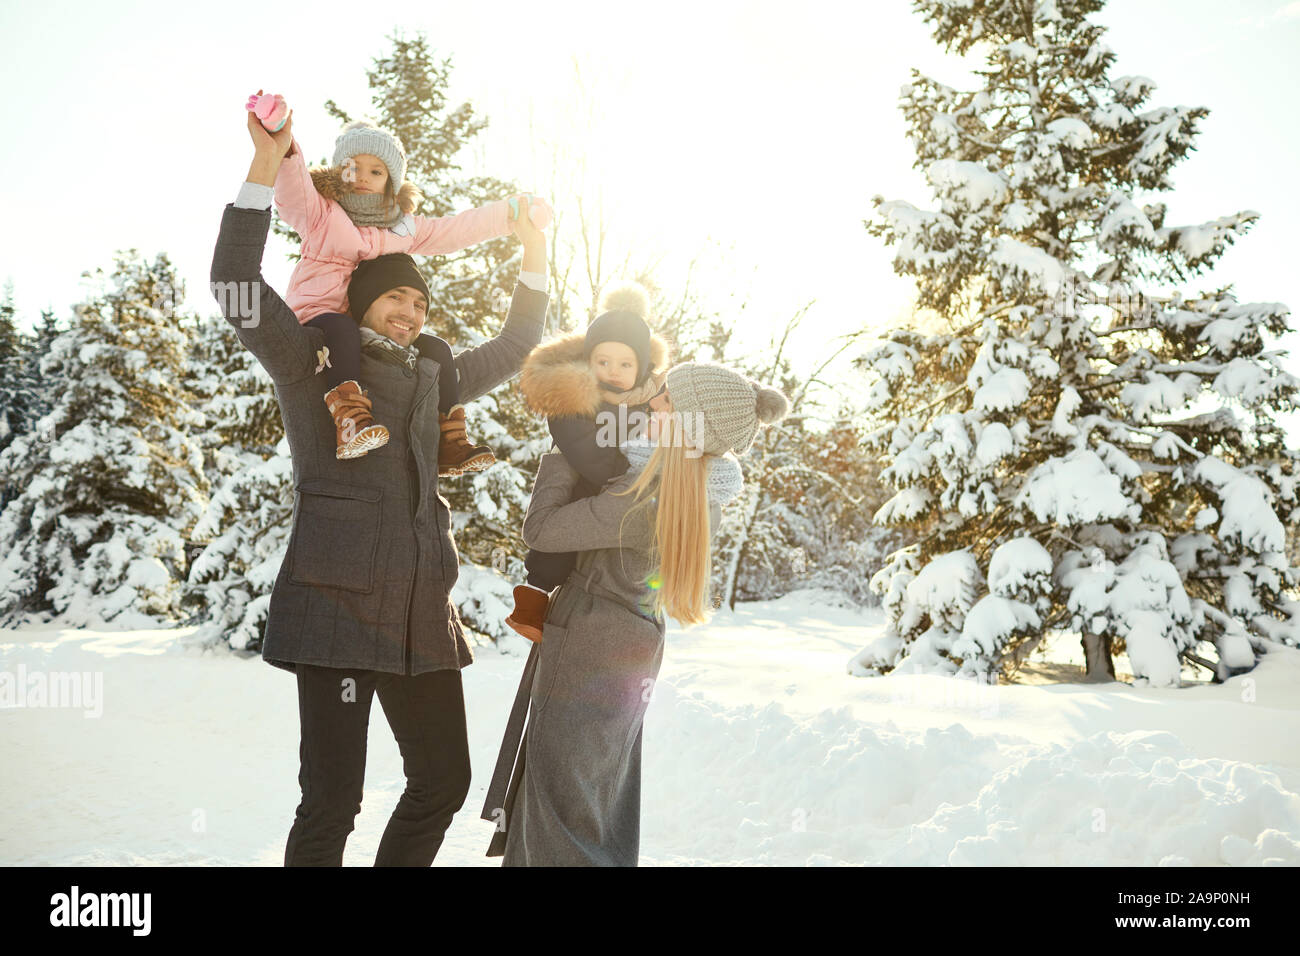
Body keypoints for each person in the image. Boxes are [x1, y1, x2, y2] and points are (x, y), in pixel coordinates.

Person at [210, 101, 549, 866]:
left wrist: (533, 253)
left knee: (444, 779)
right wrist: (267, 165)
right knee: (332, 803)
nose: (409, 311)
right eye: (395, 296)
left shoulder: (437, 375)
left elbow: (520, 341)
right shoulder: (308, 361)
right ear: (362, 300)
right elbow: (233, 282)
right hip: (336, 608)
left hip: (421, 615)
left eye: (421, 301)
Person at [482, 361, 791, 865]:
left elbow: (542, 529)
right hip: (633, 641)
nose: (653, 402)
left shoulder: (643, 495)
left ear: (692, 424)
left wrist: (564, 456)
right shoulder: (694, 491)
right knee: (598, 799)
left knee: (559, 805)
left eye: (667, 399)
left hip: (590, 639)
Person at [246, 90, 552, 468]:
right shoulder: (322, 213)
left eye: (377, 172)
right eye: (353, 168)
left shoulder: (402, 227)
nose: (363, 178)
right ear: (339, 170)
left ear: (391, 181)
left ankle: (449, 439)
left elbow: (454, 231)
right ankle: (349, 417)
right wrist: (283, 143)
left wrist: (510, 215)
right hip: (318, 316)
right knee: (341, 331)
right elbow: (293, 189)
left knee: (437, 349)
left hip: (357, 325)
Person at [504, 280, 673, 640]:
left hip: (624, 500)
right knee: (556, 548)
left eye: (626, 363)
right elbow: (585, 453)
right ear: (588, 361)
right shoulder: (574, 401)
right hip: (586, 483)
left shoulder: (650, 400)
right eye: (604, 361)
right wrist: (629, 470)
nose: (614, 370)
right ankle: (534, 599)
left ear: (641, 367)